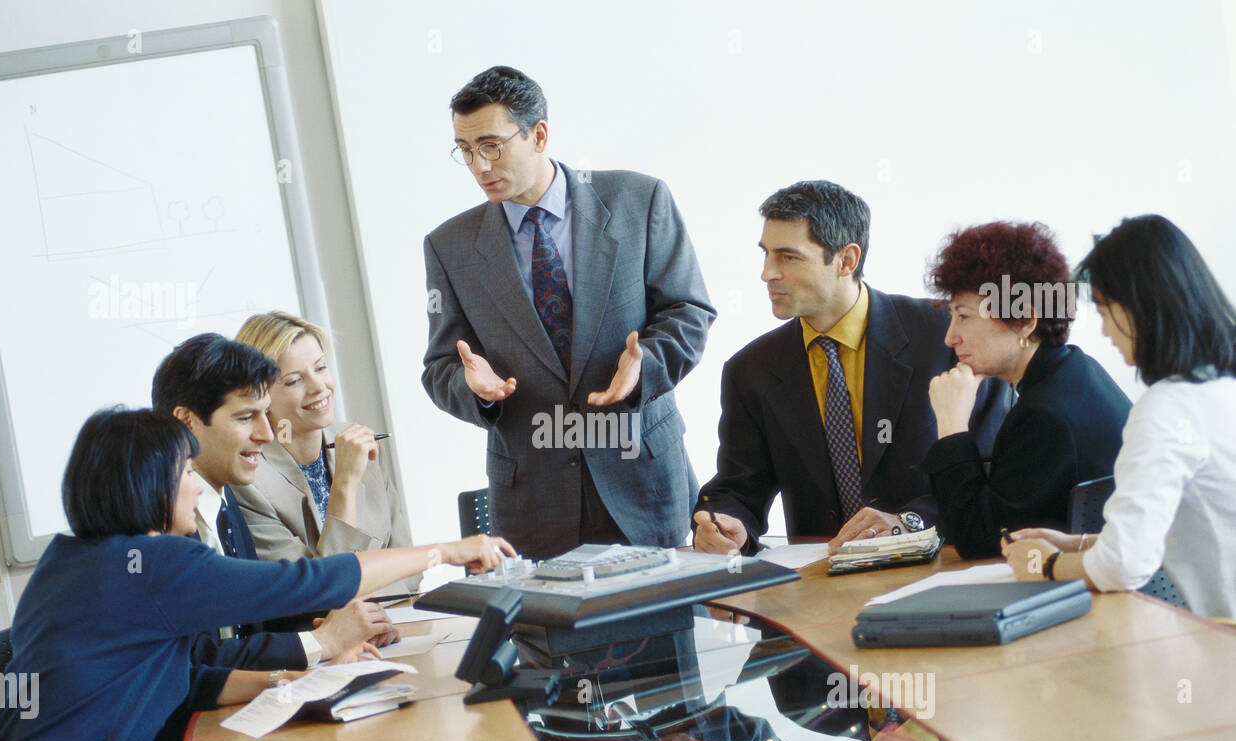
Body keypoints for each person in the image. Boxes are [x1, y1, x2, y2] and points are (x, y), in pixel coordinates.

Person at [0, 407, 512, 741]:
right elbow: (307, 583)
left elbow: (188, 678)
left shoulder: (72, 561)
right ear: (149, 483)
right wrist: (446, 551)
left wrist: (302, 679)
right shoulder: (151, 567)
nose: (196, 484)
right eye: (184, 471)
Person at [422, 66, 716, 559]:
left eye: (491, 146)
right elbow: (440, 367)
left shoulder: (637, 200)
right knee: (552, 636)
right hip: (535, 503)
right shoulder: (448, 246)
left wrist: (646, 365)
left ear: (538, 135)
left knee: (662, 633)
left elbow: (689, 310)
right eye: (466, 150)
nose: (478, 165)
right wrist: (474, 389)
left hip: (642, 476)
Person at [693, 181, 1012, 556]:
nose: (767, 273)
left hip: (945, 565)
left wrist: (907, 522)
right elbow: (738, 486)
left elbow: (998, 471)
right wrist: (727, 523)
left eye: (788, 257)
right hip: (821, 586)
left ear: (847, 260)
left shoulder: (947, 335)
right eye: (765, 254)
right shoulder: (750, 369)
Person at [1004, 214, 1236, 619]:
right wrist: (1078, 544)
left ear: (1139, 307)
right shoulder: (1219, 387)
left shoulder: (1169, 406)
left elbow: (1125, 564)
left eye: (1106, 309)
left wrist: (1044, 565)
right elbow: (1187, 525)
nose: (1106, 330)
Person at [152, 333, 396, 664]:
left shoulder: (226, 508)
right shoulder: (156, 526)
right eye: (244, 417)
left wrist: (335, 642)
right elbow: (194, 666)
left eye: (265, 414)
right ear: (186, 422)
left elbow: (255, 629)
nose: (267, 435)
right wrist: (321, 643)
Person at [919, 222, 1131, 558]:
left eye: (964, 316)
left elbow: (978, 541)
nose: (950, 337)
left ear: (1025, 321)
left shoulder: (1043, 416)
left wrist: (951, 427)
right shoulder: (1077, 370)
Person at [232, 311, 419, 595]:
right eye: (294, 380)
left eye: (320, 368)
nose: (319, 386)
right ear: (260, 396)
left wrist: (365, 599)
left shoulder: (358, 441)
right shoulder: (248, 480)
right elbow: (316, 594)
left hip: (394, 624)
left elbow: (409, 568)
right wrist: (345, 484)